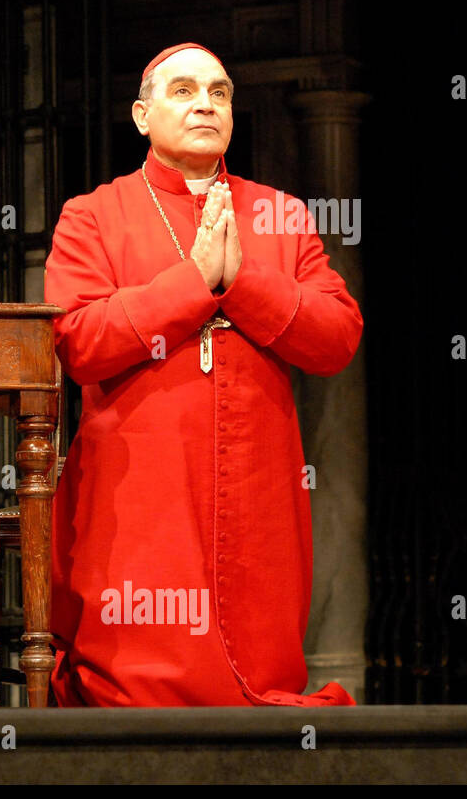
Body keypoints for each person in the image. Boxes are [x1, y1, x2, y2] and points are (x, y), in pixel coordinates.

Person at [44, 42, 362, 707]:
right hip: (141, 480)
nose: (205, 105)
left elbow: (336, 338)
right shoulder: (93, 216)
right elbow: (79, 343)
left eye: (219, 93)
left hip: (258, 478)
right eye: (184, 90)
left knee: (258, 650)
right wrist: (194, 284)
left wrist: (242, 279)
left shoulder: (281, 214)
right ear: (140, 114)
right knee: (142, 661)